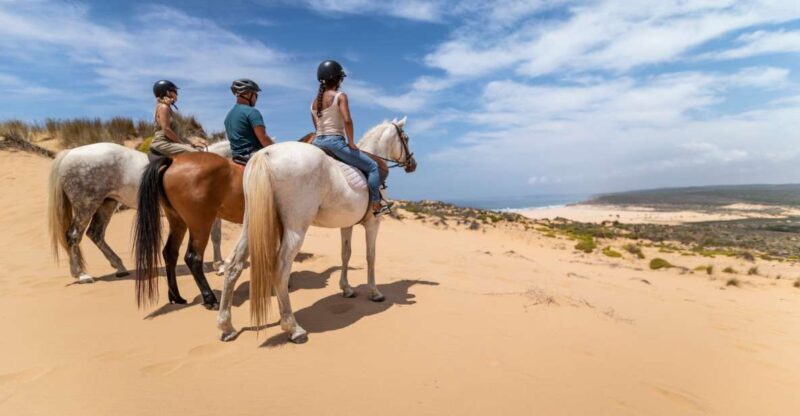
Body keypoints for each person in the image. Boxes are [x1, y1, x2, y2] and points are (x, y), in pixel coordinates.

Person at [310, 60, 387, 215]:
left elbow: (316, 126)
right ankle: (376, 204)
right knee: (373, 167)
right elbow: (347, 120)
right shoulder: (340, 96)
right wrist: (351, 143)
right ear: (338, 79)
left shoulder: (313, 103)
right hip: (335, 143)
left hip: (317, 142)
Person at [149, 80, 206, 157]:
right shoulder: (163, 107)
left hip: (169, 141)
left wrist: (191, 143)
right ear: (168, 92)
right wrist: (182, 144)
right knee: (198, 154)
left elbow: (175, 132)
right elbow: (166, 129)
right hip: (163, 142)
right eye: (175, 91)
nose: (177, 94)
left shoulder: (167, 107)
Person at [224, 78, 274, 165]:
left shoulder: (228, 116)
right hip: (253, 157)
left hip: (236, 158)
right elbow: (264, 139)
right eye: (255, 95)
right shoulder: (251, 112)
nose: (256, 98)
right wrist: (276, 149)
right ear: (248, 94)